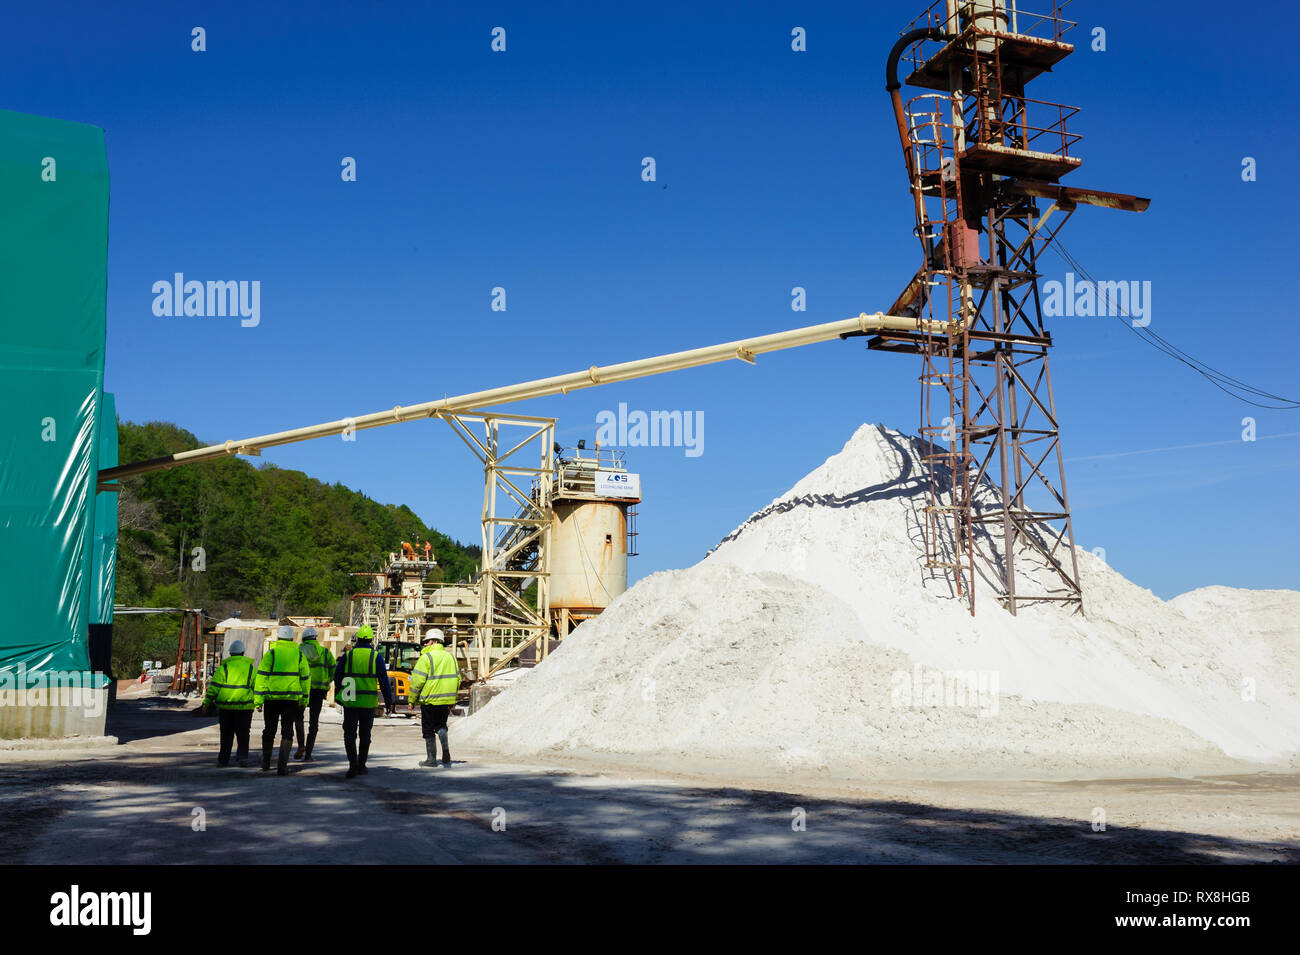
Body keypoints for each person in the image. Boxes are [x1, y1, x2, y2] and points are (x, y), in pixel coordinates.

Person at [334, 624, 394, 778]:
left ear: (357, 639)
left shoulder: (348, 656)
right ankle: (362, 765)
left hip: (350, 701)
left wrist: (338, 694)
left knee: (349, 734)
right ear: (371, 641)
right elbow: (384, 681)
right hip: (368, 703)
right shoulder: (376, 657)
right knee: (365, 734)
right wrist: (388, 701)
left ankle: (352, 765)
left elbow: (337, 676)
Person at [254, 626, 310, 775]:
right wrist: (304, 699)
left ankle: (266, 762)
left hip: (272, 699)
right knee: (287, 732)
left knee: (269, 730)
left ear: (278, 637)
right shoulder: (298, 655)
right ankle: (282, 766)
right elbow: (305, 679)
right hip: (290, 700)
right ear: (292, 638)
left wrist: (258, 700)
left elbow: (261, 676)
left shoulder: (271, 653)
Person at [407, 628, 461, 768]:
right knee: (441, 726)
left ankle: (431, 759)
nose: (424, 644)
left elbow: (417, 682)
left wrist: (411, 700)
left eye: (427, 641)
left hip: (430, 700)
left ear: (435, 641)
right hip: (445, 701)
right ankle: (446, 753)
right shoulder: (451, 657)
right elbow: (458, 679)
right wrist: (453, 699)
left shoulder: (426, 658)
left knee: (428, 729)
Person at [202, 639, 256, 767]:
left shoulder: (223, 668)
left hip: (226, 708)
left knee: (226, 734)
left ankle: (223, 759)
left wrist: (206, 703)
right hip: (245, 708)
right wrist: (259, 703)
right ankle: (243, 757)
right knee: (243, 733)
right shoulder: (251, 669)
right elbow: (257, 687)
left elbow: (214, 687)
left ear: (230, 653)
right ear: (243, 653)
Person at [293, 627, 336, 762]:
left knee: (299, 718)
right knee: (314, 722)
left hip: (302, 689)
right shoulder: (325, 652)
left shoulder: (298, 652)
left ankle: (301, 745)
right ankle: (308, 755)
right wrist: (327, 681)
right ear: (316, 638)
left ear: (304, 639)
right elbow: (333, 670)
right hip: (319, 690)